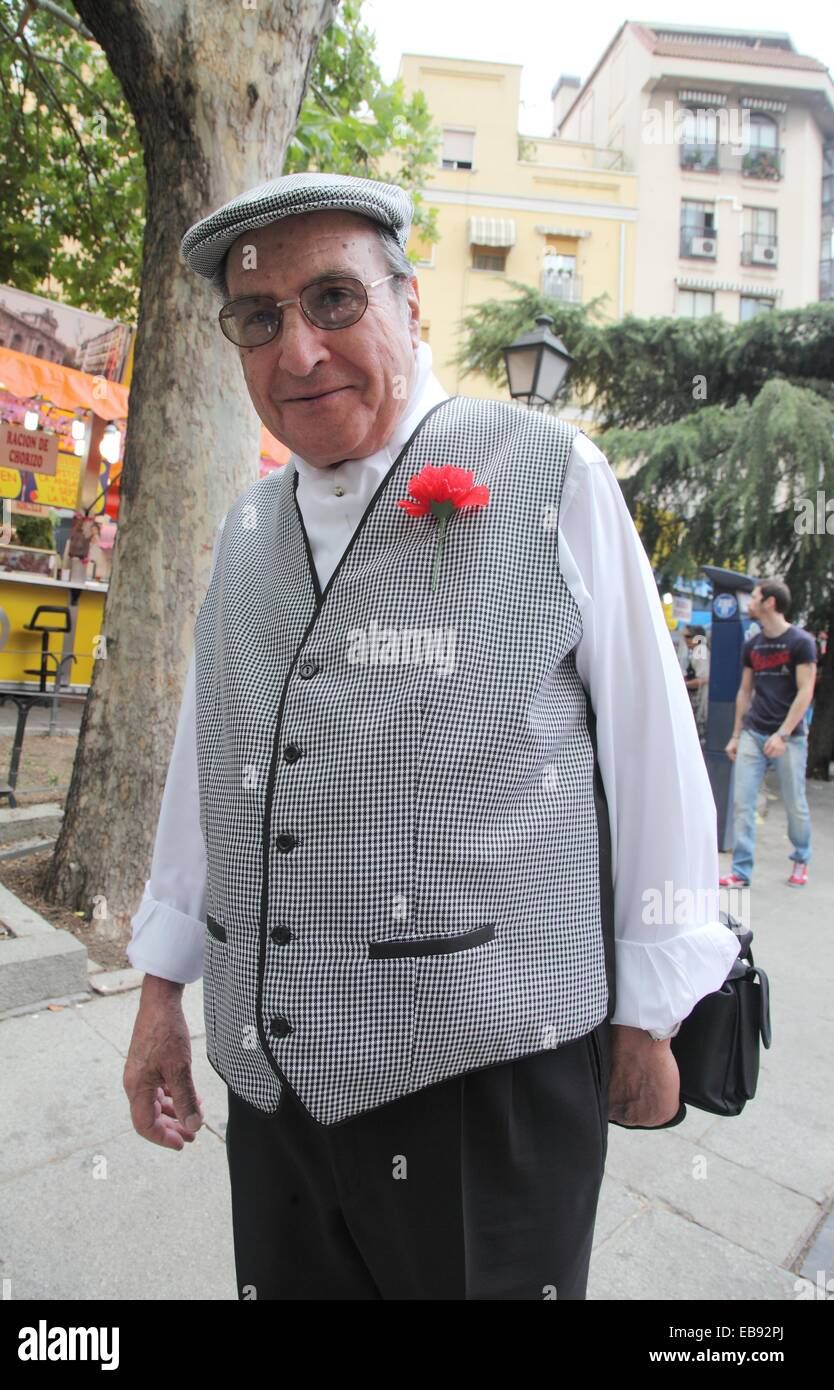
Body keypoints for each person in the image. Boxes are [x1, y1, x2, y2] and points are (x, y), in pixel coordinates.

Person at [124, 172, 740, 1301]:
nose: (297, 351)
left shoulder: (551, 473)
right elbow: (205, 767)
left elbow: (653, 746)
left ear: (411, 305)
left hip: (484, 1078)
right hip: (275, 1082)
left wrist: (652, 1008)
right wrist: (164, 991)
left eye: (331, 302)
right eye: (258, 321)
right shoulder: (244, 526)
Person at [720, 579, 817, 889]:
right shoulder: (753, 646)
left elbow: (806, 691)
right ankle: (741, 871)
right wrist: (736, 734)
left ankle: (801, 857)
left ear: (770, 603)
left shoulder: (801, 642)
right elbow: (744, 692)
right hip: (753, 732)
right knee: (742, 802)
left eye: (755, 597)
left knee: (794, 802)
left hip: (789, 737)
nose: (750, 602)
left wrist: (783, 734)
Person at [683, 625, 710, 744]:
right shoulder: (698, 651)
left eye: (688, 636)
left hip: (699, 700)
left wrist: (685, 684)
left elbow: (704, 678)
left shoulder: (700, 651)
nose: (685, 640)